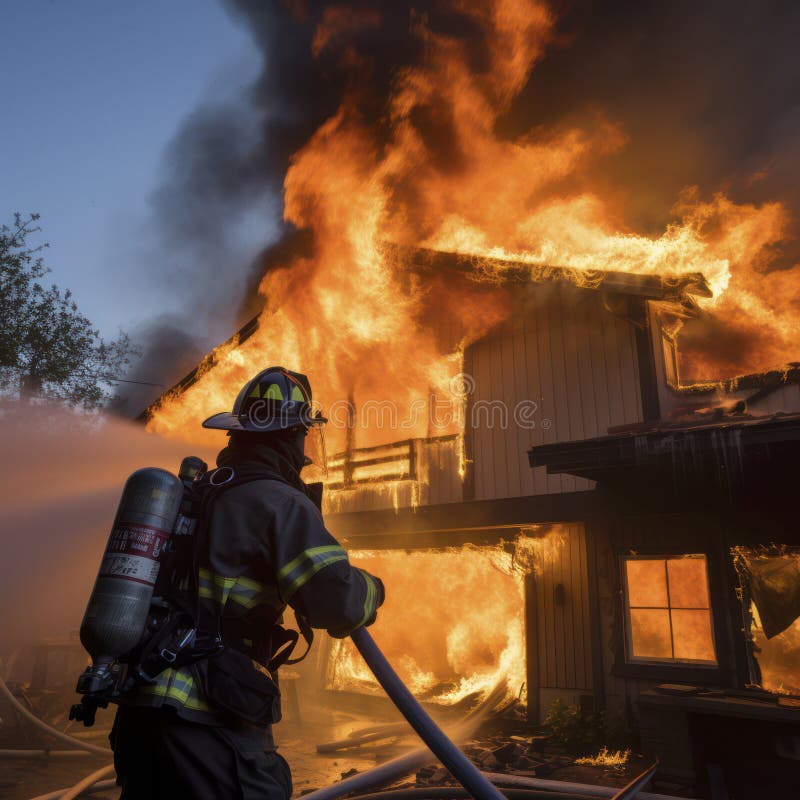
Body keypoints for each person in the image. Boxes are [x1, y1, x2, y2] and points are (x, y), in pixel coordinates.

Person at [110, 366, 385, 800]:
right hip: (208, 713)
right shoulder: (279, 501)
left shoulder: (202, 490)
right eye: (304, 434)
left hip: (141, 708)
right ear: (291, 433)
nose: (307, 449)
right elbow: (338, 603)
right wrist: (375, 589)